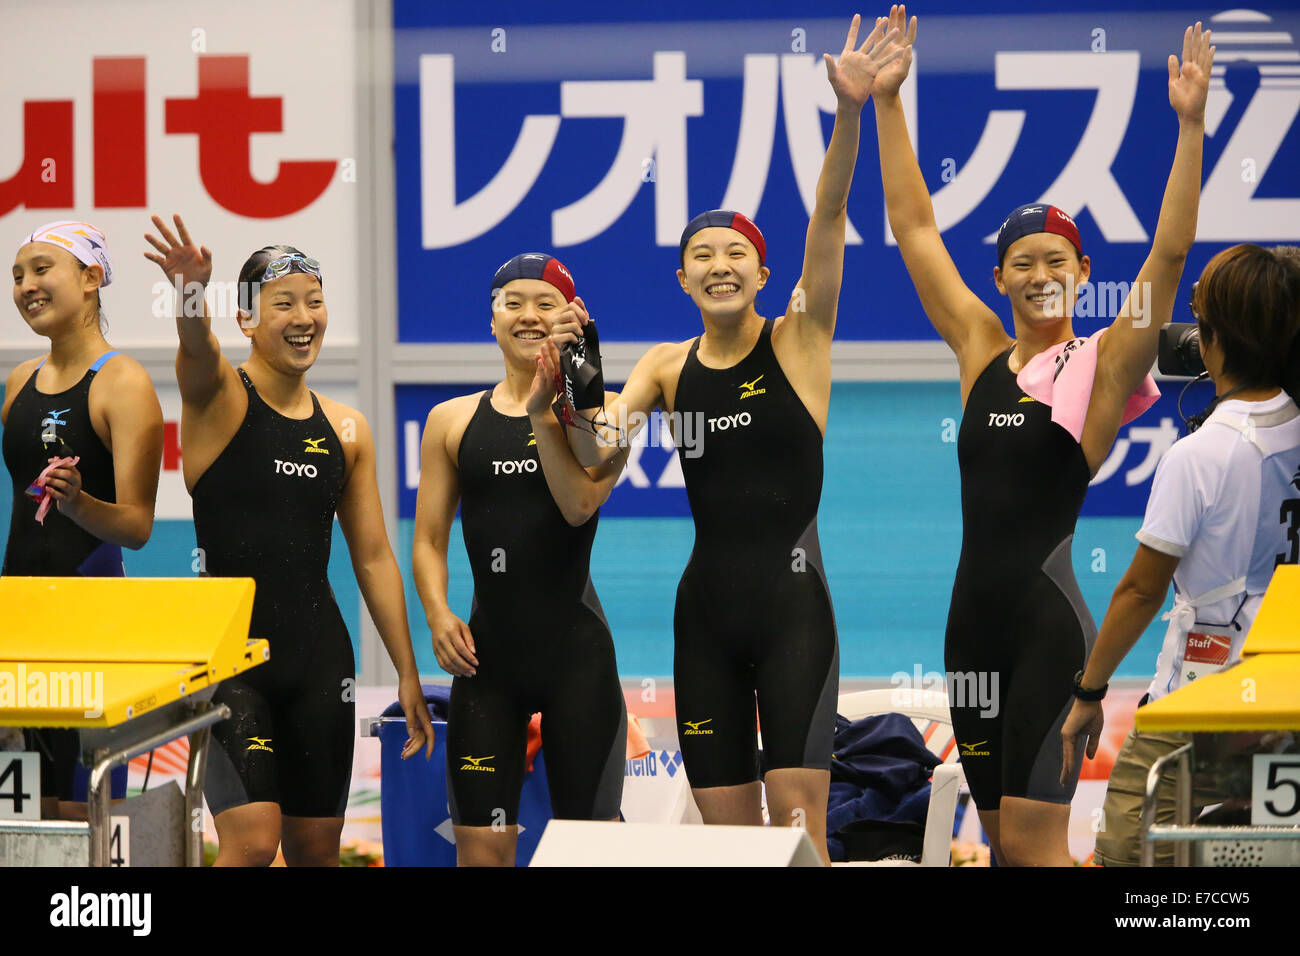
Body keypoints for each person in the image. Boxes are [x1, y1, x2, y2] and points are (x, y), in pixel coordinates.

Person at [541, 15, 908, 865]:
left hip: (794, 615)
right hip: (702, 614)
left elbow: (828, 212)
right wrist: (572, 374)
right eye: (703, 254)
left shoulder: (799, 341)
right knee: (729, 841)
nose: (720, 264)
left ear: (764, 273)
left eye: (737, 252)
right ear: (682, 277)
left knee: (798, 826)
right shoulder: (666, 368)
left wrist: (848, 113)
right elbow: (598, 450)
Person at [870, 5, 1212, 864]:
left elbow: (1168, 259)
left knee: (1034, 844)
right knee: (992, 838)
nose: (1040, 274)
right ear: (1000, 279)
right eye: (1022, 262)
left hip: (1044, 628)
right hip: (968, 630)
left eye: (1057, 261)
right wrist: (885, 104)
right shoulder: (981, 350)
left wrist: (1190, 127)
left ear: (1083, 273)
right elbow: (914, 230)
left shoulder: (1100, 367)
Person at [142, 214, 433, 866]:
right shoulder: (220, 399)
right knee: (250, 842)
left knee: (314, 851)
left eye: (315, 300)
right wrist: (192, 293)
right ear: (246, 320)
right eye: (284, 303)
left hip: (321, 662)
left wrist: (408, 671)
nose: (305, 316)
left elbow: (375, 556)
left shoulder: (347, 428)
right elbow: (196, 352)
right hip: (228, 660)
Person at [1062, 244, 1300, 866]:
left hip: (1202, 709)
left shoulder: (1200, 455)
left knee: (1131, 863)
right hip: (1287, 704)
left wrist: (1089, 692)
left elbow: (1141, 590)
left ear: (1215, 338)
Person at [412, 253, 628, 866]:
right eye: (514, 303)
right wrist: (436, 614)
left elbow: (579, 505)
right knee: (481, 854)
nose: (529, 316)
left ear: (572, 318)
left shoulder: (607, 414)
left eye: (546, 303)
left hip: (577, 662)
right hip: (488, 667)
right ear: (492, 319)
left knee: (590, 853)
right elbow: (428, 539)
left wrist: (548, 409)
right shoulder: (450, 421)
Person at [5, 221, 163, 819]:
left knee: (80, 810)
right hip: (18, 619)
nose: (25, 286)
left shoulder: (123, 383)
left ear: (91, 278)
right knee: (19, 808)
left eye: (42, 269)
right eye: (18, 275)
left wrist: (78, 503)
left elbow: (138, 526)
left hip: (89, 622)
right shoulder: (20, 381)